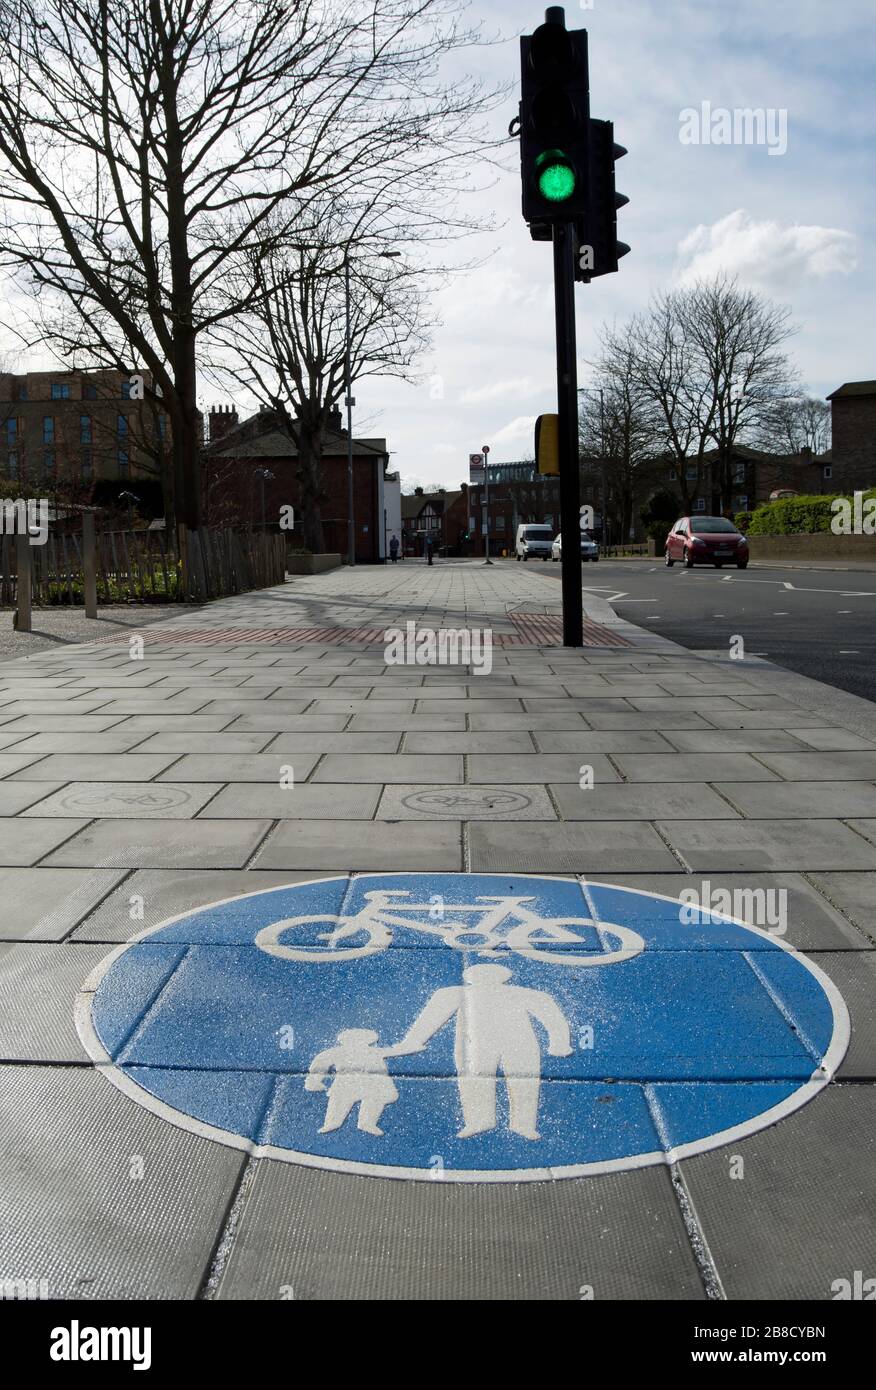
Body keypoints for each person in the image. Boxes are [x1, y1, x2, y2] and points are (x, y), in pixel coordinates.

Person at [383, 964, 572, 1141]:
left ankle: (521, 1124)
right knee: (487, 1079)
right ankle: (482, 1121)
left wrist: (560, 1043)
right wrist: (413, 1041)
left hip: (512, 1042)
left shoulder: (520, 994)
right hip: (487, 1043)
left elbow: (552, 1017)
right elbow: (431, 1018)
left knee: (520, 1080)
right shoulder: (455, 993)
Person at [305, 1028, 399, 1136]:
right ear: (346, 1041)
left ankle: (367, 1123)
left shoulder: (373, 1051)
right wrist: (314, 1080)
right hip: (347, 1082)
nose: (358, 1042)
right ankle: (332, 1122)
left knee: (374, 1099)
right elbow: (320, 1063)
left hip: (371, 1083)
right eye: (354, 1040)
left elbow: (395, 1051)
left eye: (361, 1040)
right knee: (339, 1100)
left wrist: (412, 1046)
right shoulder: (338, 1052)